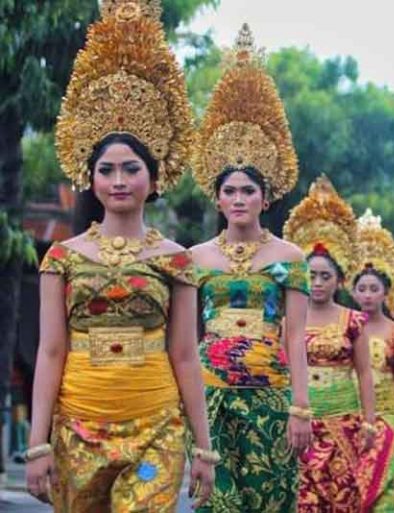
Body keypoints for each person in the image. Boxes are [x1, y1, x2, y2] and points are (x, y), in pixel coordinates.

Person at [27, 2, 215, 509]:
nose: (118, 181)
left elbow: (183, 354)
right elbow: (50, 352)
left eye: (130, 169)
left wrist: (204, 446)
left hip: (157, 424)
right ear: (90, 178)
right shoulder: (62, 258)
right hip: (76, 429)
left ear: (153, 178)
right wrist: (37, 443)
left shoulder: (176, 260)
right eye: (107, 170)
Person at [190, 24, 311, 511]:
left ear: (266, 196)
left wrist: (300, 409)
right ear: (217, 199)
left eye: (248, 191)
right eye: (230, 191)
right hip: (210, 399)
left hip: (270, 400)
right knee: (215, 503)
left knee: (269, 502)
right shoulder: (194, 259)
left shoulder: (290, 258)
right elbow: (187, 337)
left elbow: (297, 337)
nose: (239, 199)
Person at [283, 176, 378, 513]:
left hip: (344, 420)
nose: (318, 282)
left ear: (339, 279)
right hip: (301, 421)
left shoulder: (354, 320)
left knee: (343, 497)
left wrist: (369, 421)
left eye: (326, 276)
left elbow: (365, 373)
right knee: (303, 498)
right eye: (311, 275)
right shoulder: (288, 320)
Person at [350, 209, 394, 513]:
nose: (367, 295)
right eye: (361, 289)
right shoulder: (345, 325)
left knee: (386, 482)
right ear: (351, 291)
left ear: (385, 293)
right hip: (350, 416)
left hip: (387, 418)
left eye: (374, 289)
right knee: (353, 484)